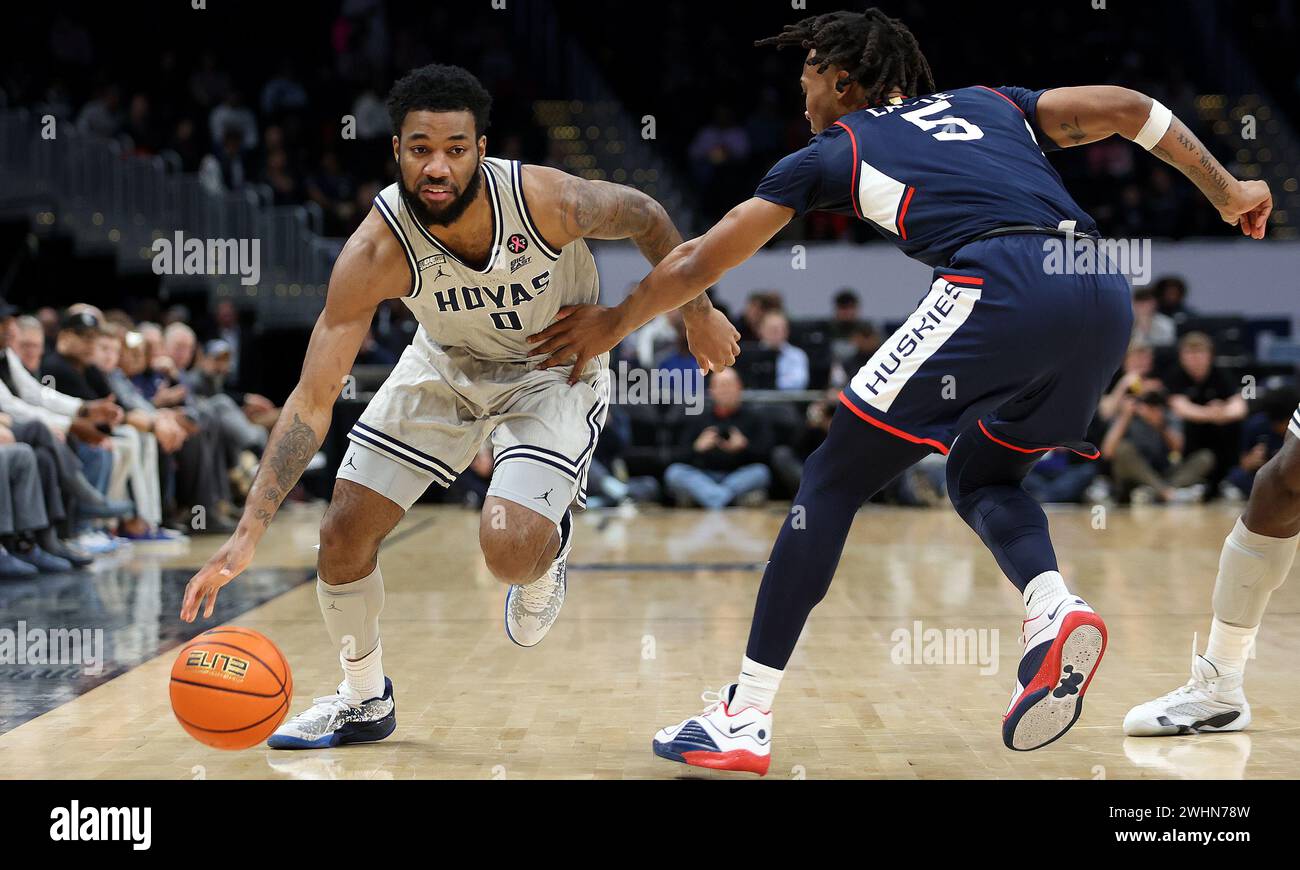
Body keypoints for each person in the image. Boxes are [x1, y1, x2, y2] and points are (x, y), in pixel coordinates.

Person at [529, 7, 1272, 772]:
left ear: (844, 82)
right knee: (982, 472)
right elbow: (1125, 106)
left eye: (809, 77)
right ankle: (1053, 609)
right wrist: (1226, 189)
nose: (803, 95)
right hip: (1102, 291)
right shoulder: (993, 102)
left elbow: (697, 260)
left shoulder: (834, 148)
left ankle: (743, 714)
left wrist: (613, 323)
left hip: (1001, 283)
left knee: (831, 476)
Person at [178, 64, 731, 750]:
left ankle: (546, 553)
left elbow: (648, 217)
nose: (437, 166)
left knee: (508, 550)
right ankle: (362, 698)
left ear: (481, 147)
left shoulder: (546, 199)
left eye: (455, 148)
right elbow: (312, 398)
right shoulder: (376, 250)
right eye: (419, 149)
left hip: (553, 364)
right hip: (443, 365)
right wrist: (248, 530)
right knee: (341, 535)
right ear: (397, 151)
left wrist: (695, 314)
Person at [664, 369, 773, 508]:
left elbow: (767, 455)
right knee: (674, 472)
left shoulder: (754, 418)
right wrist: (697, 447)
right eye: (720, 386)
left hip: (737, 476)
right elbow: (678, 456)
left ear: (739, 387)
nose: (725, 391)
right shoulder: (698, 418)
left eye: (729, 385)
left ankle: (709, 498)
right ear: (711, 390)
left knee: (761, 472)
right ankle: (725, 499)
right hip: (704, 476)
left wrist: (744, 446)